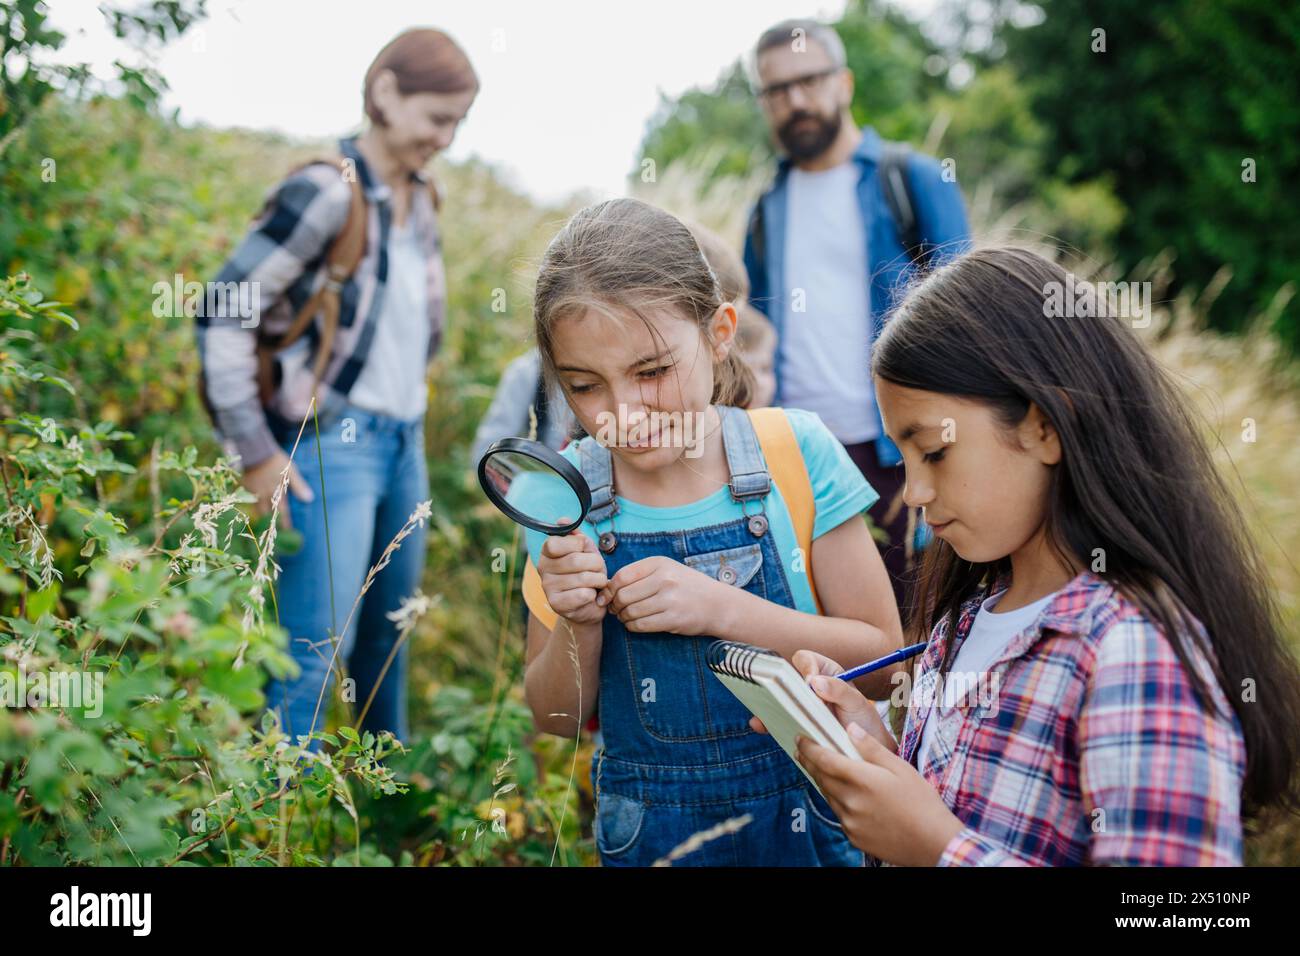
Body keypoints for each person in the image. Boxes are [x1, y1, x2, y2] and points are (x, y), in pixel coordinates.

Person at [771, 247, 1300, 865]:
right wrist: (877, 749)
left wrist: (940, 851)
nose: (912, 493)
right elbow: (965, 798)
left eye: (934, 453)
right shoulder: (966, 620)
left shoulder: (1130, 652)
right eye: (903, 459)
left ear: (1046, 427)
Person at [517, 198, 904, 866]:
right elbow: (554, 721)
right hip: (651, 836)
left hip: (807, 821)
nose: (624, 414)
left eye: (652, 371)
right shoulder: (558, 495)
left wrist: (724, 609)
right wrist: (578, 623)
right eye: (584, 385)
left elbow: (882, 664)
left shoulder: (796, 452)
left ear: (719, 332)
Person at [196, 28, 478, 746]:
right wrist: (256, 451)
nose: (446, 138)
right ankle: (275, 824)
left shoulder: (421, 197)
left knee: (390, 640)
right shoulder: (326, 189)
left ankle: (385, 810)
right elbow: (221, 311)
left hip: (403, 443)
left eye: (458, 123)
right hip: (334, 445)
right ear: (385, 93)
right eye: (437, 118)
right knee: (313, 654)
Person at [743, 18, 970, 613]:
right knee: (818, 631)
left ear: (842, 82)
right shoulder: (766, 208)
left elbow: (970, 317)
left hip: (898, 451)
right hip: (796, 454)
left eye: (809, 80)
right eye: (776, 90)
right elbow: (751, 327)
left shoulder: (910, 178)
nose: (795, 100)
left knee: (921, 622)